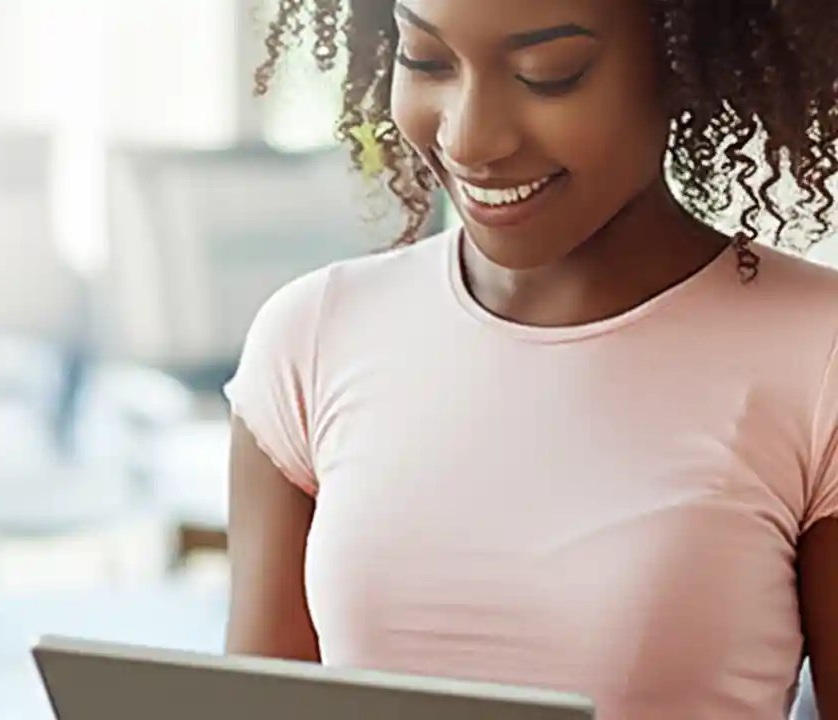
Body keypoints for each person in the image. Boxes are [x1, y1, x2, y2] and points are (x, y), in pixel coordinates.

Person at [222, 1, 838, 718]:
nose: (470, 137)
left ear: (679, 68)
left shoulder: (815, 352)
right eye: (425, 59)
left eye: (549, 74)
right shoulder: (312, 339)